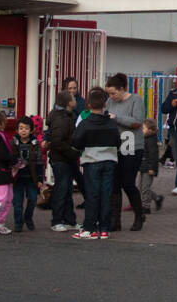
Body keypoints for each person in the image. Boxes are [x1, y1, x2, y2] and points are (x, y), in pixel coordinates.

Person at [71, 88, 120, 240]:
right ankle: (104, 229)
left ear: (89, 105)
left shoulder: (85, 124)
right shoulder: (111, 123)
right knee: (106, 195)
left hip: (92, 161)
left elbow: (76, 142)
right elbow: (118, 141)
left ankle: (89, 228)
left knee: (92, 195)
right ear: (105, 104)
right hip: (109, 161)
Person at [104, 73, 146, 233]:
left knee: (128, 183)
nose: (111, 96)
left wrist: (116, 117)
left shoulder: (136, 100)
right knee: (114, 184)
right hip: (115, 147)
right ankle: (115, 220)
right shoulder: (110, 102)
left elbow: (137, 122)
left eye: (113, 93)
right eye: (109, 93)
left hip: (132, 147)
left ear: (122, 89)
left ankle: (139, 215)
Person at [44, 90, 81, 232]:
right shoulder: (62, 119)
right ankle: (57, 220)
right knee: (62, 190)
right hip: (61, 159)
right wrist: (72, 152)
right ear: (68, 103)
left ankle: (69, 220)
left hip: (64, 158)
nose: (75, 99)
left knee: (66, 190)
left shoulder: (67, 116)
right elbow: (57, 141)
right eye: (73, 98)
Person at [11, 118, 44, 232]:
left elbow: (39, 162)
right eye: (21, 128)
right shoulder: (13, 143)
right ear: (17, 130)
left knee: (33, 199)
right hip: (17, 178)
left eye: (26, 128)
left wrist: (40, 179)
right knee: (17, 202)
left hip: (31, 177)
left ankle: (28, 217)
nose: (23, 131)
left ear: (31, 130)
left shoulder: (35, 144)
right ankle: (18, 222)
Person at [138, 118, 164, 217]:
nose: (142, 130)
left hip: (148, 168)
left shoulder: (151, 141)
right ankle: (157, 198)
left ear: (150, 130)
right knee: (141, 187)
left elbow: (153, 156)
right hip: (143, 166)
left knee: (145, 187)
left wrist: (151, 168)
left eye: (144, 128)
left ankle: (146, 206)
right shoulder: (145, 138)